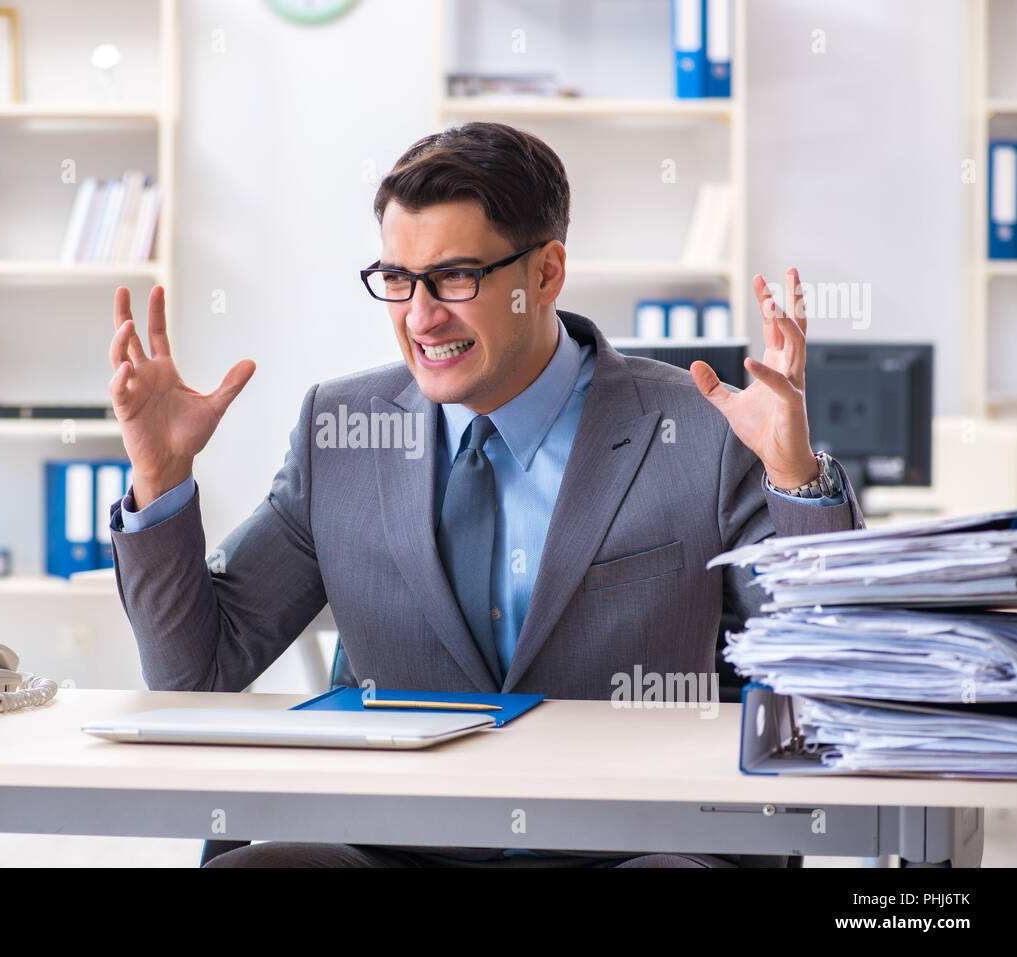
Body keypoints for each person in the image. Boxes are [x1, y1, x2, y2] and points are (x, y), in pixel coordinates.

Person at [103, 121, 864, 867]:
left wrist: (796, 479)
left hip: (628, 841)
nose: (421, 315)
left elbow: (834, 665)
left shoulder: (696, 427)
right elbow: (194, 676)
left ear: (546, 273)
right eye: (397, 280)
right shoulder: (341, 430)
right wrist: (161, 479)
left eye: (455, 277)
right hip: (395, 841)